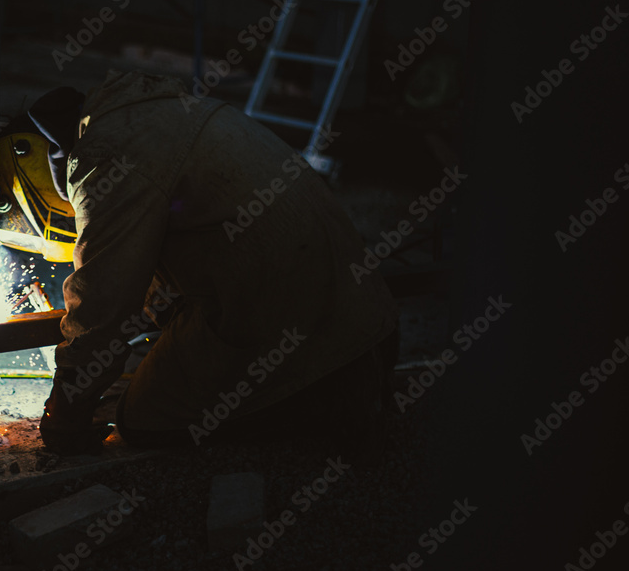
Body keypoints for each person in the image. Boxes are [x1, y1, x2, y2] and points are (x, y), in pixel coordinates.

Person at [22, 70, 398, 457]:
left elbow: (103, 301)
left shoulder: (107, 152)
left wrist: (66, 408)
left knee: (143, 420)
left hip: (307, 336)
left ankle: (314, 410)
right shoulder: (182, 113)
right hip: (371, 323)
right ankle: (341, 387)